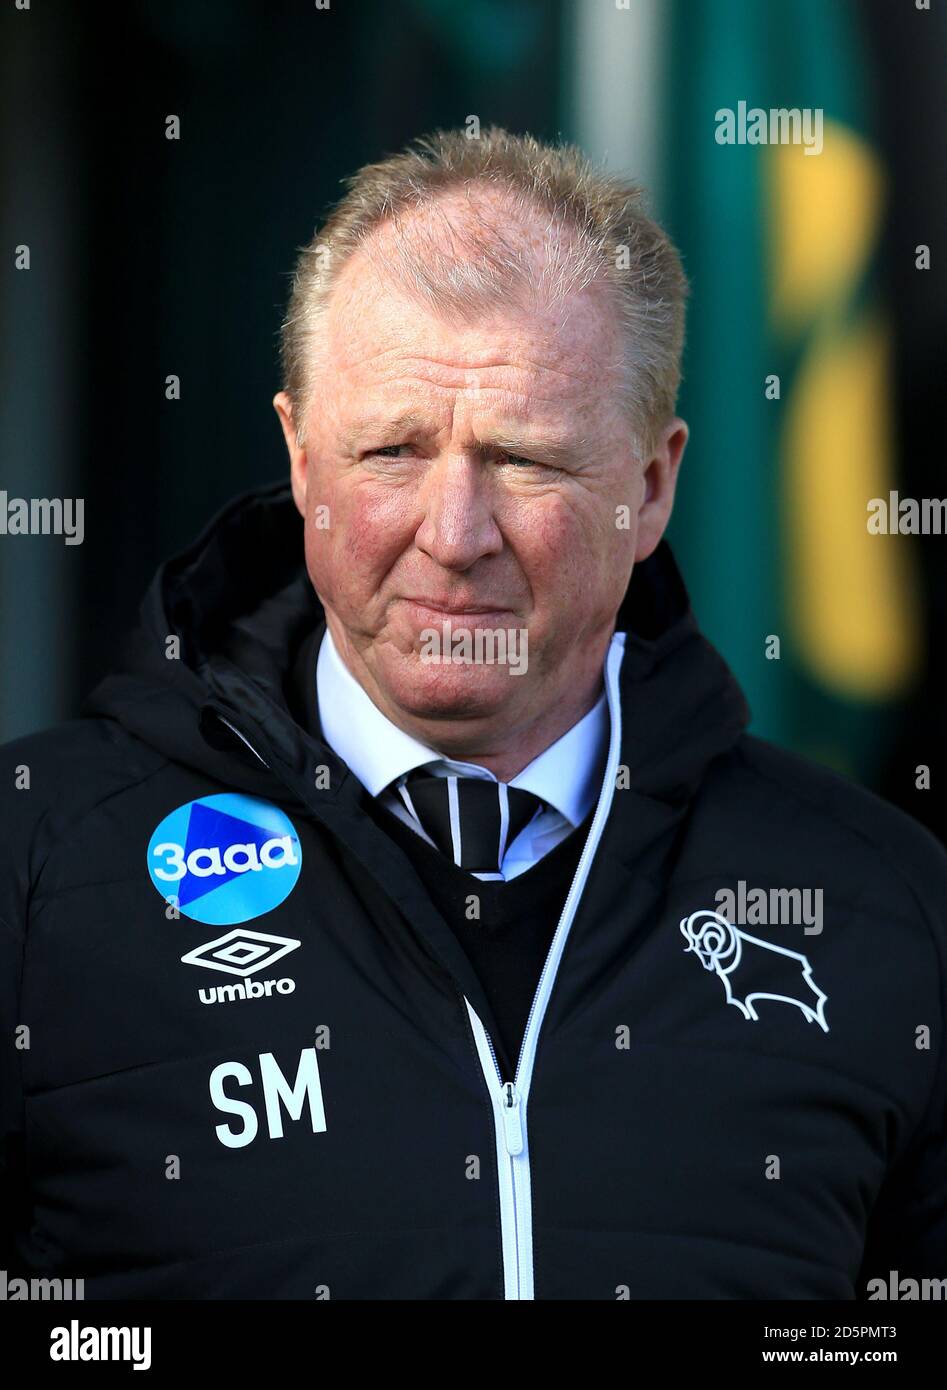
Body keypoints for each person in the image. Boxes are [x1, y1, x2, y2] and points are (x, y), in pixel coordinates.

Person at [1, 128, 945, 1300]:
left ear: (649, 486)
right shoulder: (34, 871)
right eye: (391, 450)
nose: (454, 535)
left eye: (523, 460)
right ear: (301, 461)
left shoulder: (884, 906)